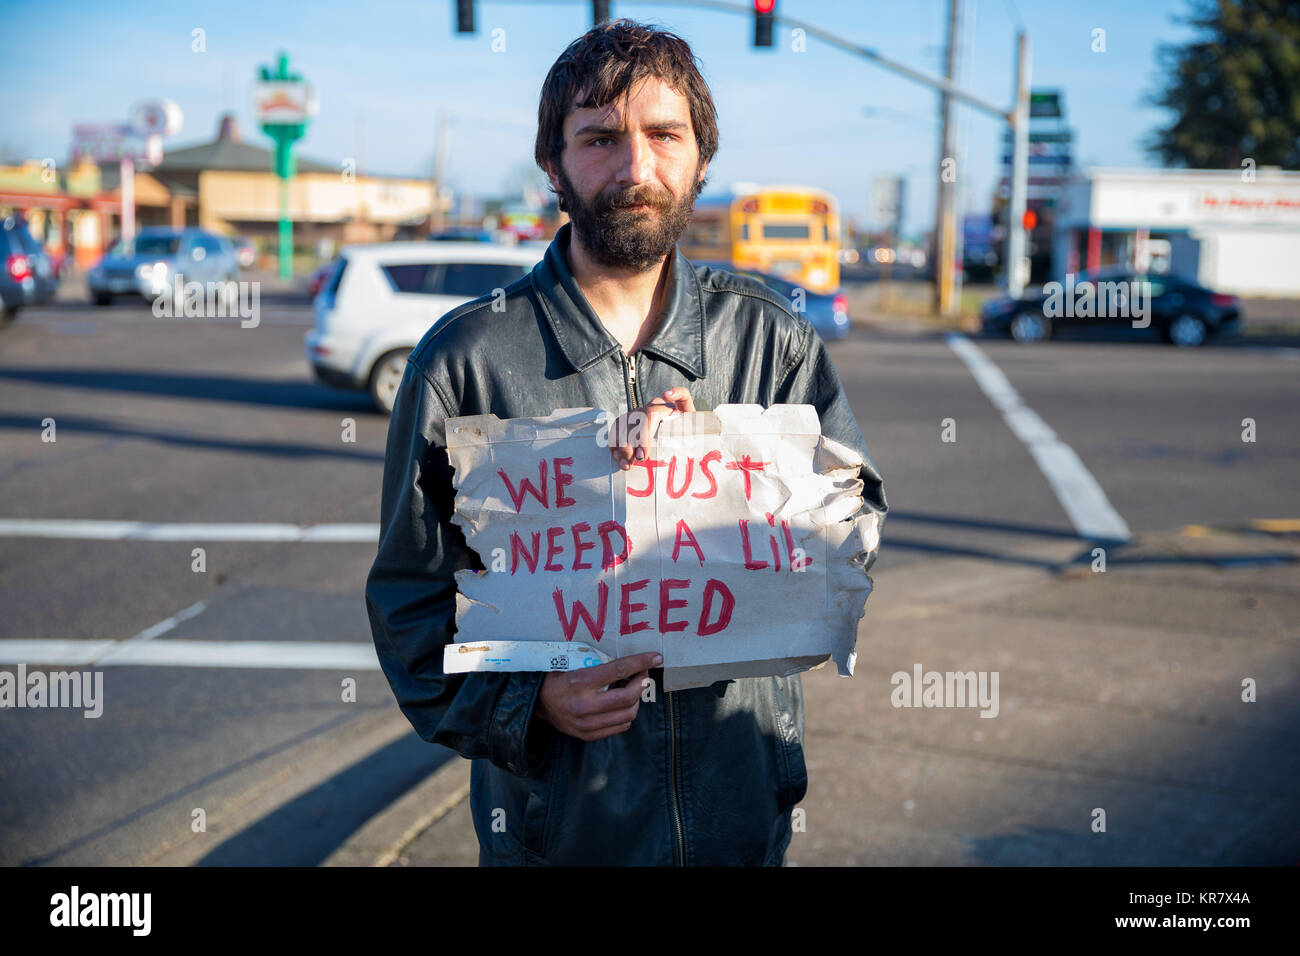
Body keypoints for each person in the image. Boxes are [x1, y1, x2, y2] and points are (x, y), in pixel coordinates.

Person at [364, 18, 887, 866]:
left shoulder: (772, 339)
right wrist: (528, 704)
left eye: (663, 136)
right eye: (601, 138)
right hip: (558, 837)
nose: (636, 168)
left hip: (742, 822)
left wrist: (727, 459)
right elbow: (410, 610)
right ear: (553, 164)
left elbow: (853, 534)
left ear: (700, 159)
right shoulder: (463, 362)